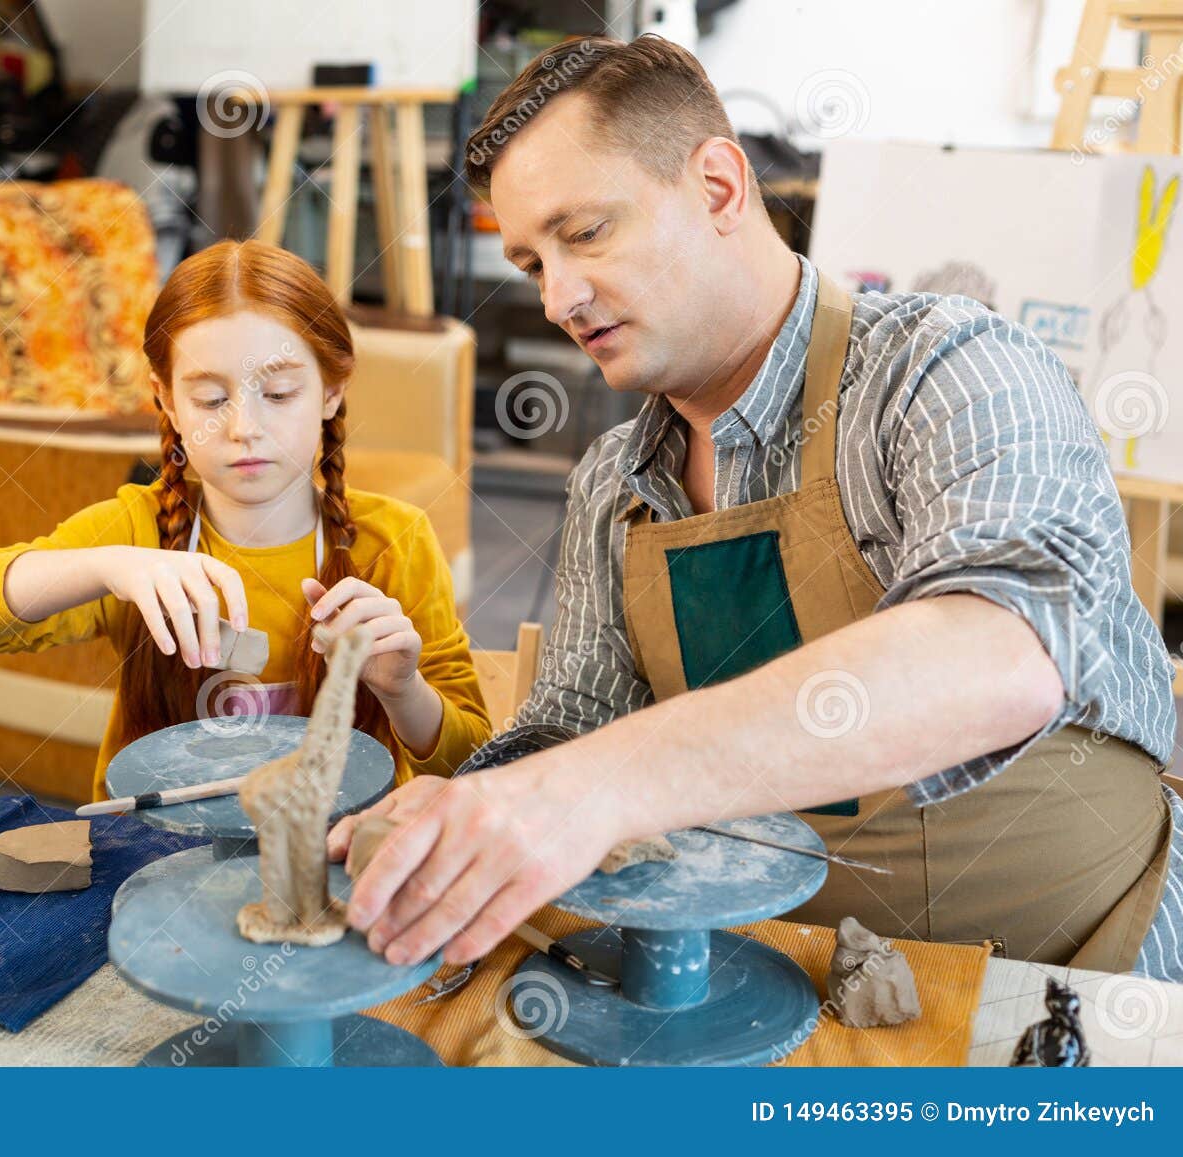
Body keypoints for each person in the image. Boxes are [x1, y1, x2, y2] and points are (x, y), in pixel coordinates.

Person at [331, 35, 1182, 983]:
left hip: (1074, 968)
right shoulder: (616, 480)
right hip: (771, 972)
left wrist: (594, 786)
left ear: (722, 188)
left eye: (586, 234)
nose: (558, 298)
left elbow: (1000, 655)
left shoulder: (949, 368)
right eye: (531, 263)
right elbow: (569, 730)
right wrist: (449, 817)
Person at [0, 240, 489, 800]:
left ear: (331, 391)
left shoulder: (394, 541)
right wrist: (106, 566)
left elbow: (472, 762)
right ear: (167, 400)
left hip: (334, 858)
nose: (244, 427)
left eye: (277, 393)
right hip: (153, 857)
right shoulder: (139, 533)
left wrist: (402, 690)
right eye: (211, 399)